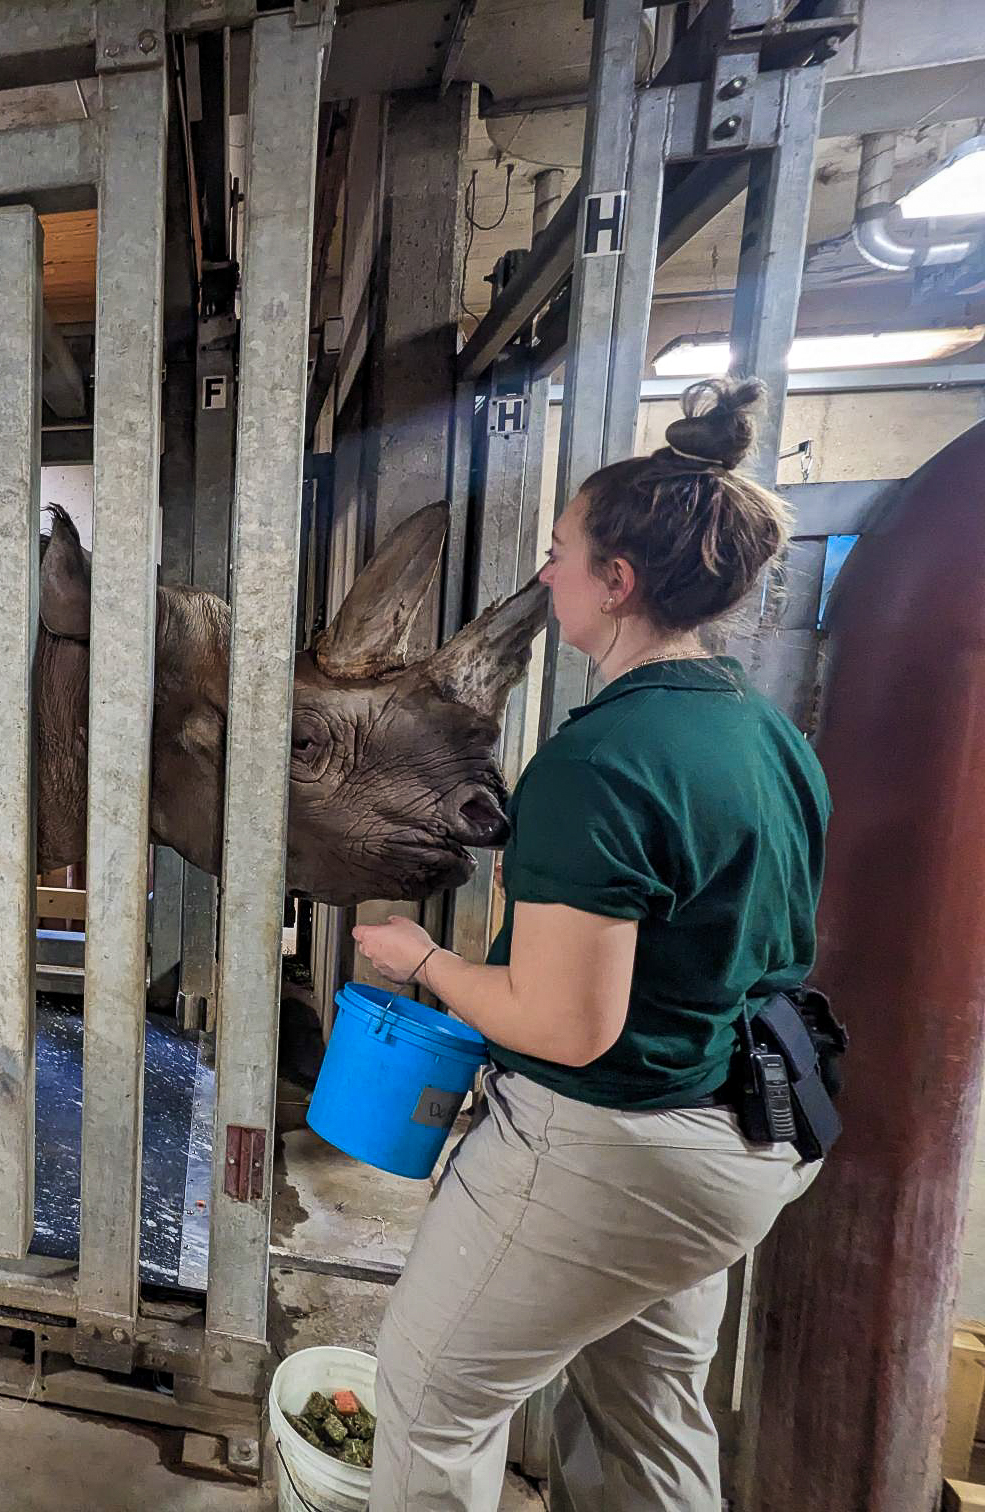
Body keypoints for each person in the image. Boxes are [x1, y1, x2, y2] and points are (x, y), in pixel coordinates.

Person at [351, 378, 830, 1512]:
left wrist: (423, 961)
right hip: (749, 1132)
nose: (547, 574)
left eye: (561, 553)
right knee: (652, 1416)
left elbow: (567, 1023)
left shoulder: (600, 764)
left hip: (613, 1147)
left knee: (429, 1404)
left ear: (617, 585)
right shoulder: (768, 736)